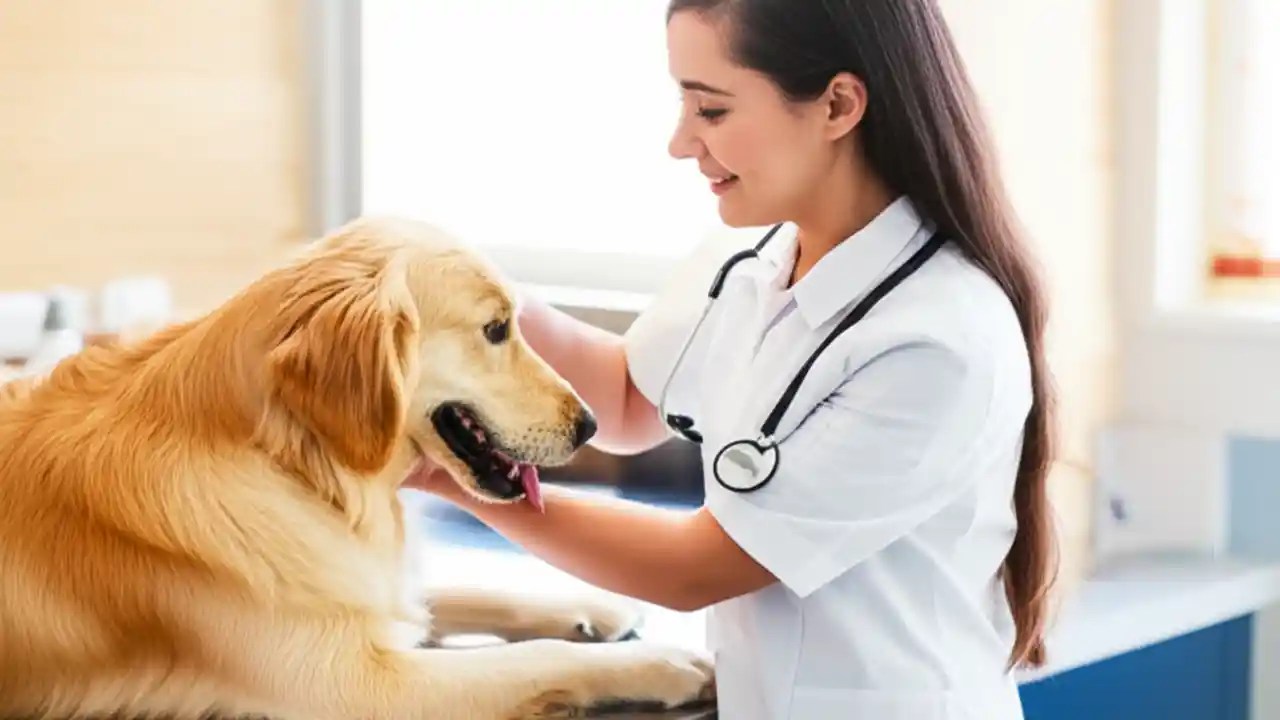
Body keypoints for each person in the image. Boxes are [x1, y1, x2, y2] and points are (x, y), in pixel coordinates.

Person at [407, 0, 1058, 718]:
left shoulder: (937, 338)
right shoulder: (753, 259)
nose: (680, 143)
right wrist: (456, 281)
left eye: (711, 111)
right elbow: (624, 402)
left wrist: (450, 474)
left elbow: (696, 568)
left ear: (838, 104)